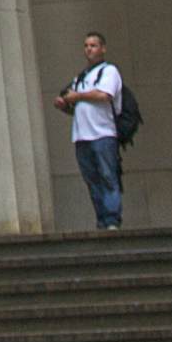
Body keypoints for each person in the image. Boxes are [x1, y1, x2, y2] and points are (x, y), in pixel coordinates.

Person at [56, 30, 125, 230]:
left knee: (107, 176)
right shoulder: (80, 77)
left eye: (93, 45)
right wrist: (66, 104)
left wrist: (77, 97)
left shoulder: (109, 71)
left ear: (103, 48)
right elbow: (80, 108)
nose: (89, 49)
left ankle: (112, 219)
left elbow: (104, 95)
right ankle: (102, 219)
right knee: (92, 180)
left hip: (103, 133)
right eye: (86, 46)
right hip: (82, 136)